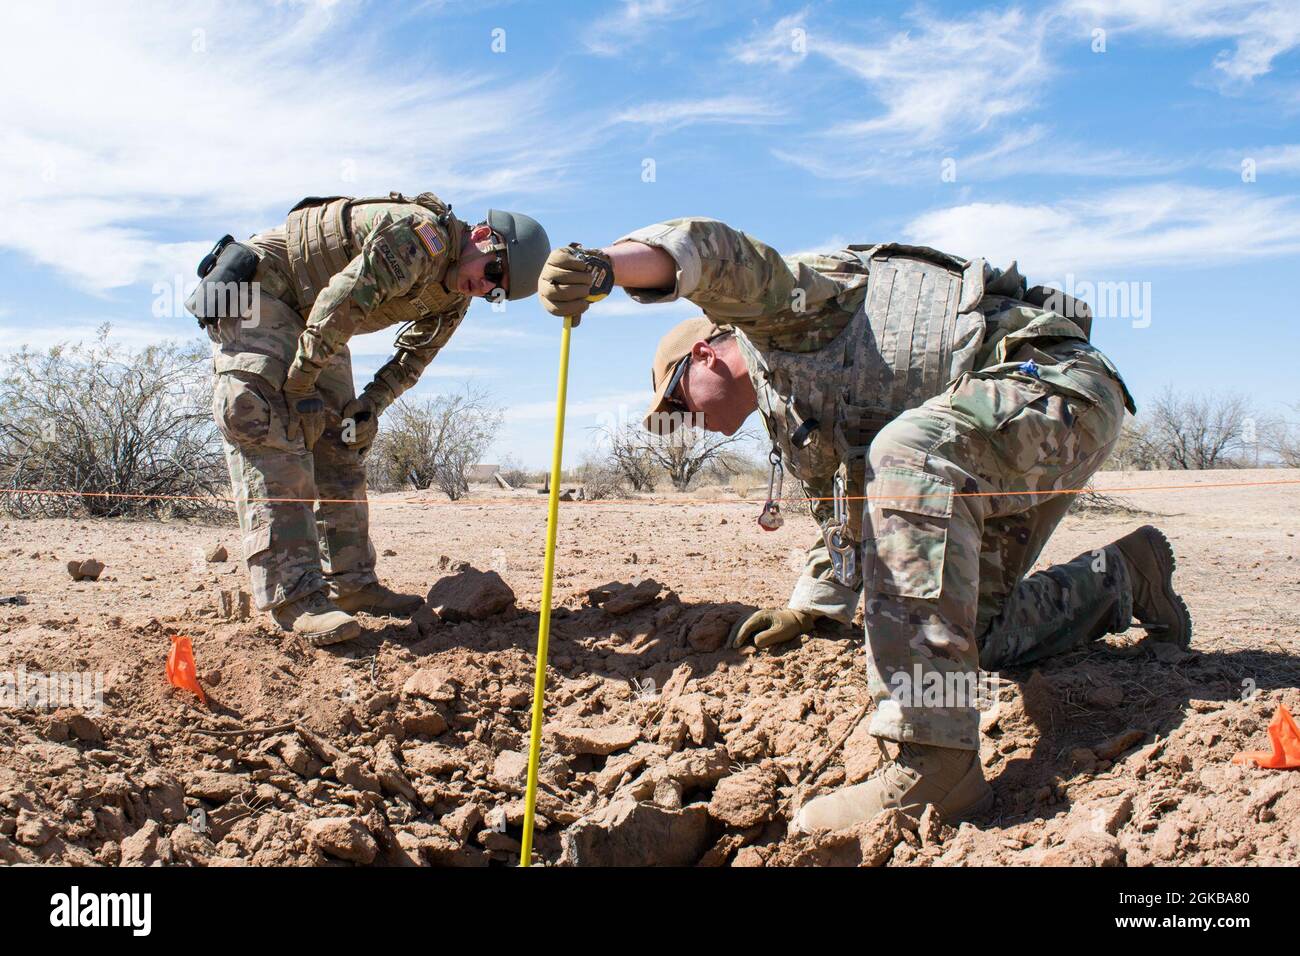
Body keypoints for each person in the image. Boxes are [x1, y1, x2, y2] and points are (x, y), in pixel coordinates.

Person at [536, 217, 1190, 832]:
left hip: (1051, 386)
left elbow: (714, 251)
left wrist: (606, 268)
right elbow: (848, 521)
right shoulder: (793, 412)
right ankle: (1124, 578)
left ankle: (934, 763)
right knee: (971, 637)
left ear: (707, 352)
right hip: (982, 440)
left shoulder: (784, 311)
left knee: (905, 458)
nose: (684, 420)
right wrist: (808, 609)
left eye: (676, 398)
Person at [189, 192, 549, 646]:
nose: (487, 287)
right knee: (262, 412)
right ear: (481, 237)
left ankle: (353, 583)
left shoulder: (454, 298)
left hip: (320, 321)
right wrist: (299, 384)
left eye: (498, 292)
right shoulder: (421, 237)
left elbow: (413, 359)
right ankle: (294, 596)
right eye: (493, 272)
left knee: (343, 434)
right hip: (265, 292)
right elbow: (343, 299)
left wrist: (371, 405)